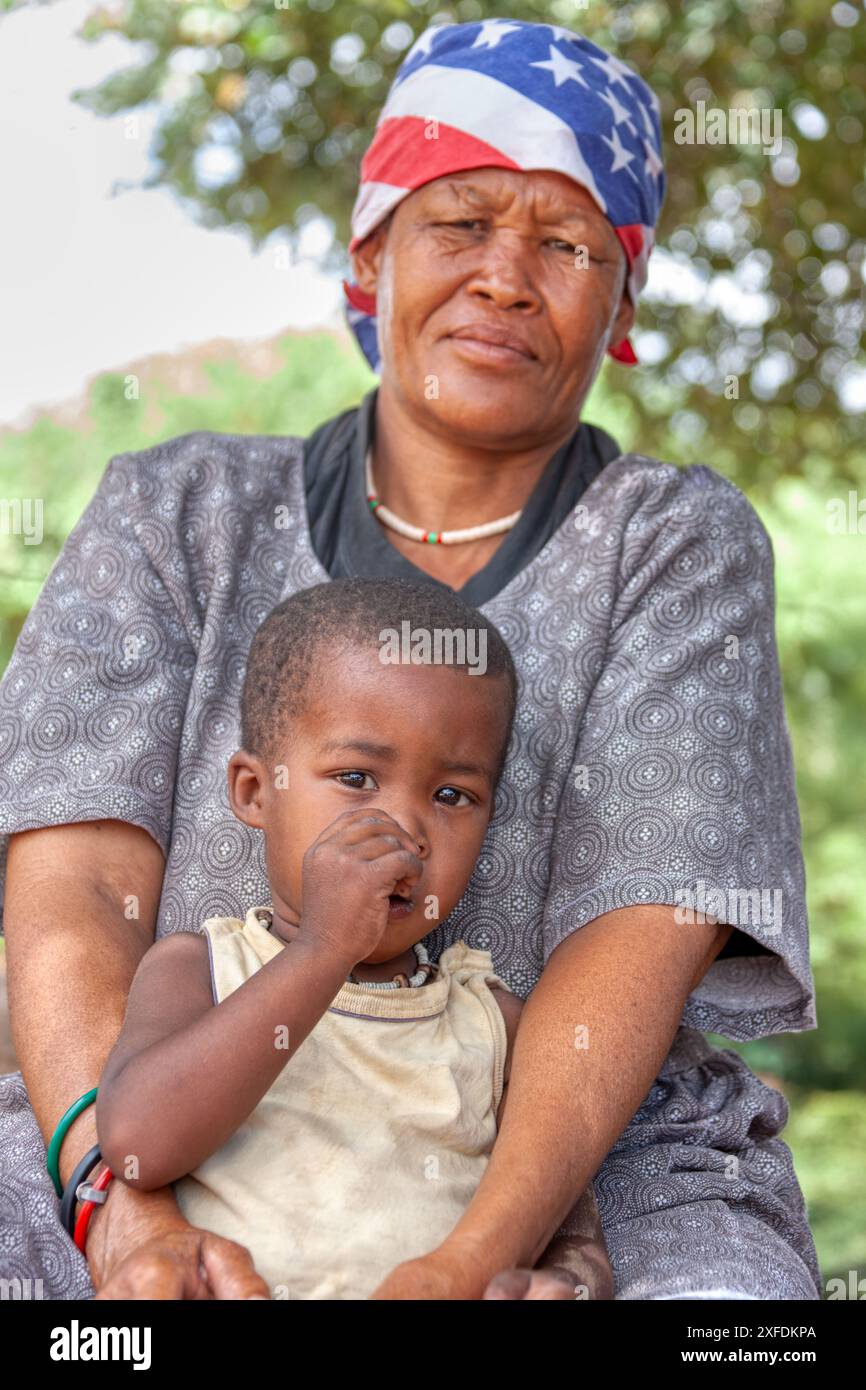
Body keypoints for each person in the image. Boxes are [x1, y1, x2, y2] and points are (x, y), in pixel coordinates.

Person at [0, 18, 821, 1300]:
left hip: (576, 1163)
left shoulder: (670, 542)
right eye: (459, 225)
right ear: (370, 255)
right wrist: (126, 1215)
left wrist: (474, 1258)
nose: (505, 277)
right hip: (162, 1112)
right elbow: (75, 889)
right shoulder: (175, 512)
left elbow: (636, 928)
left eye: (565, 245)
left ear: (621, 301)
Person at [94, 578, 614, 1300]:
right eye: (356, 777)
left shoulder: (491, 1022)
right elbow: (138, 1147)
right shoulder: (203, 969)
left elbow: (566, 1216)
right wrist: (321, 951)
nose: (403, 830)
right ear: (254, 791)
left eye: (452, 795)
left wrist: (568, 1280)